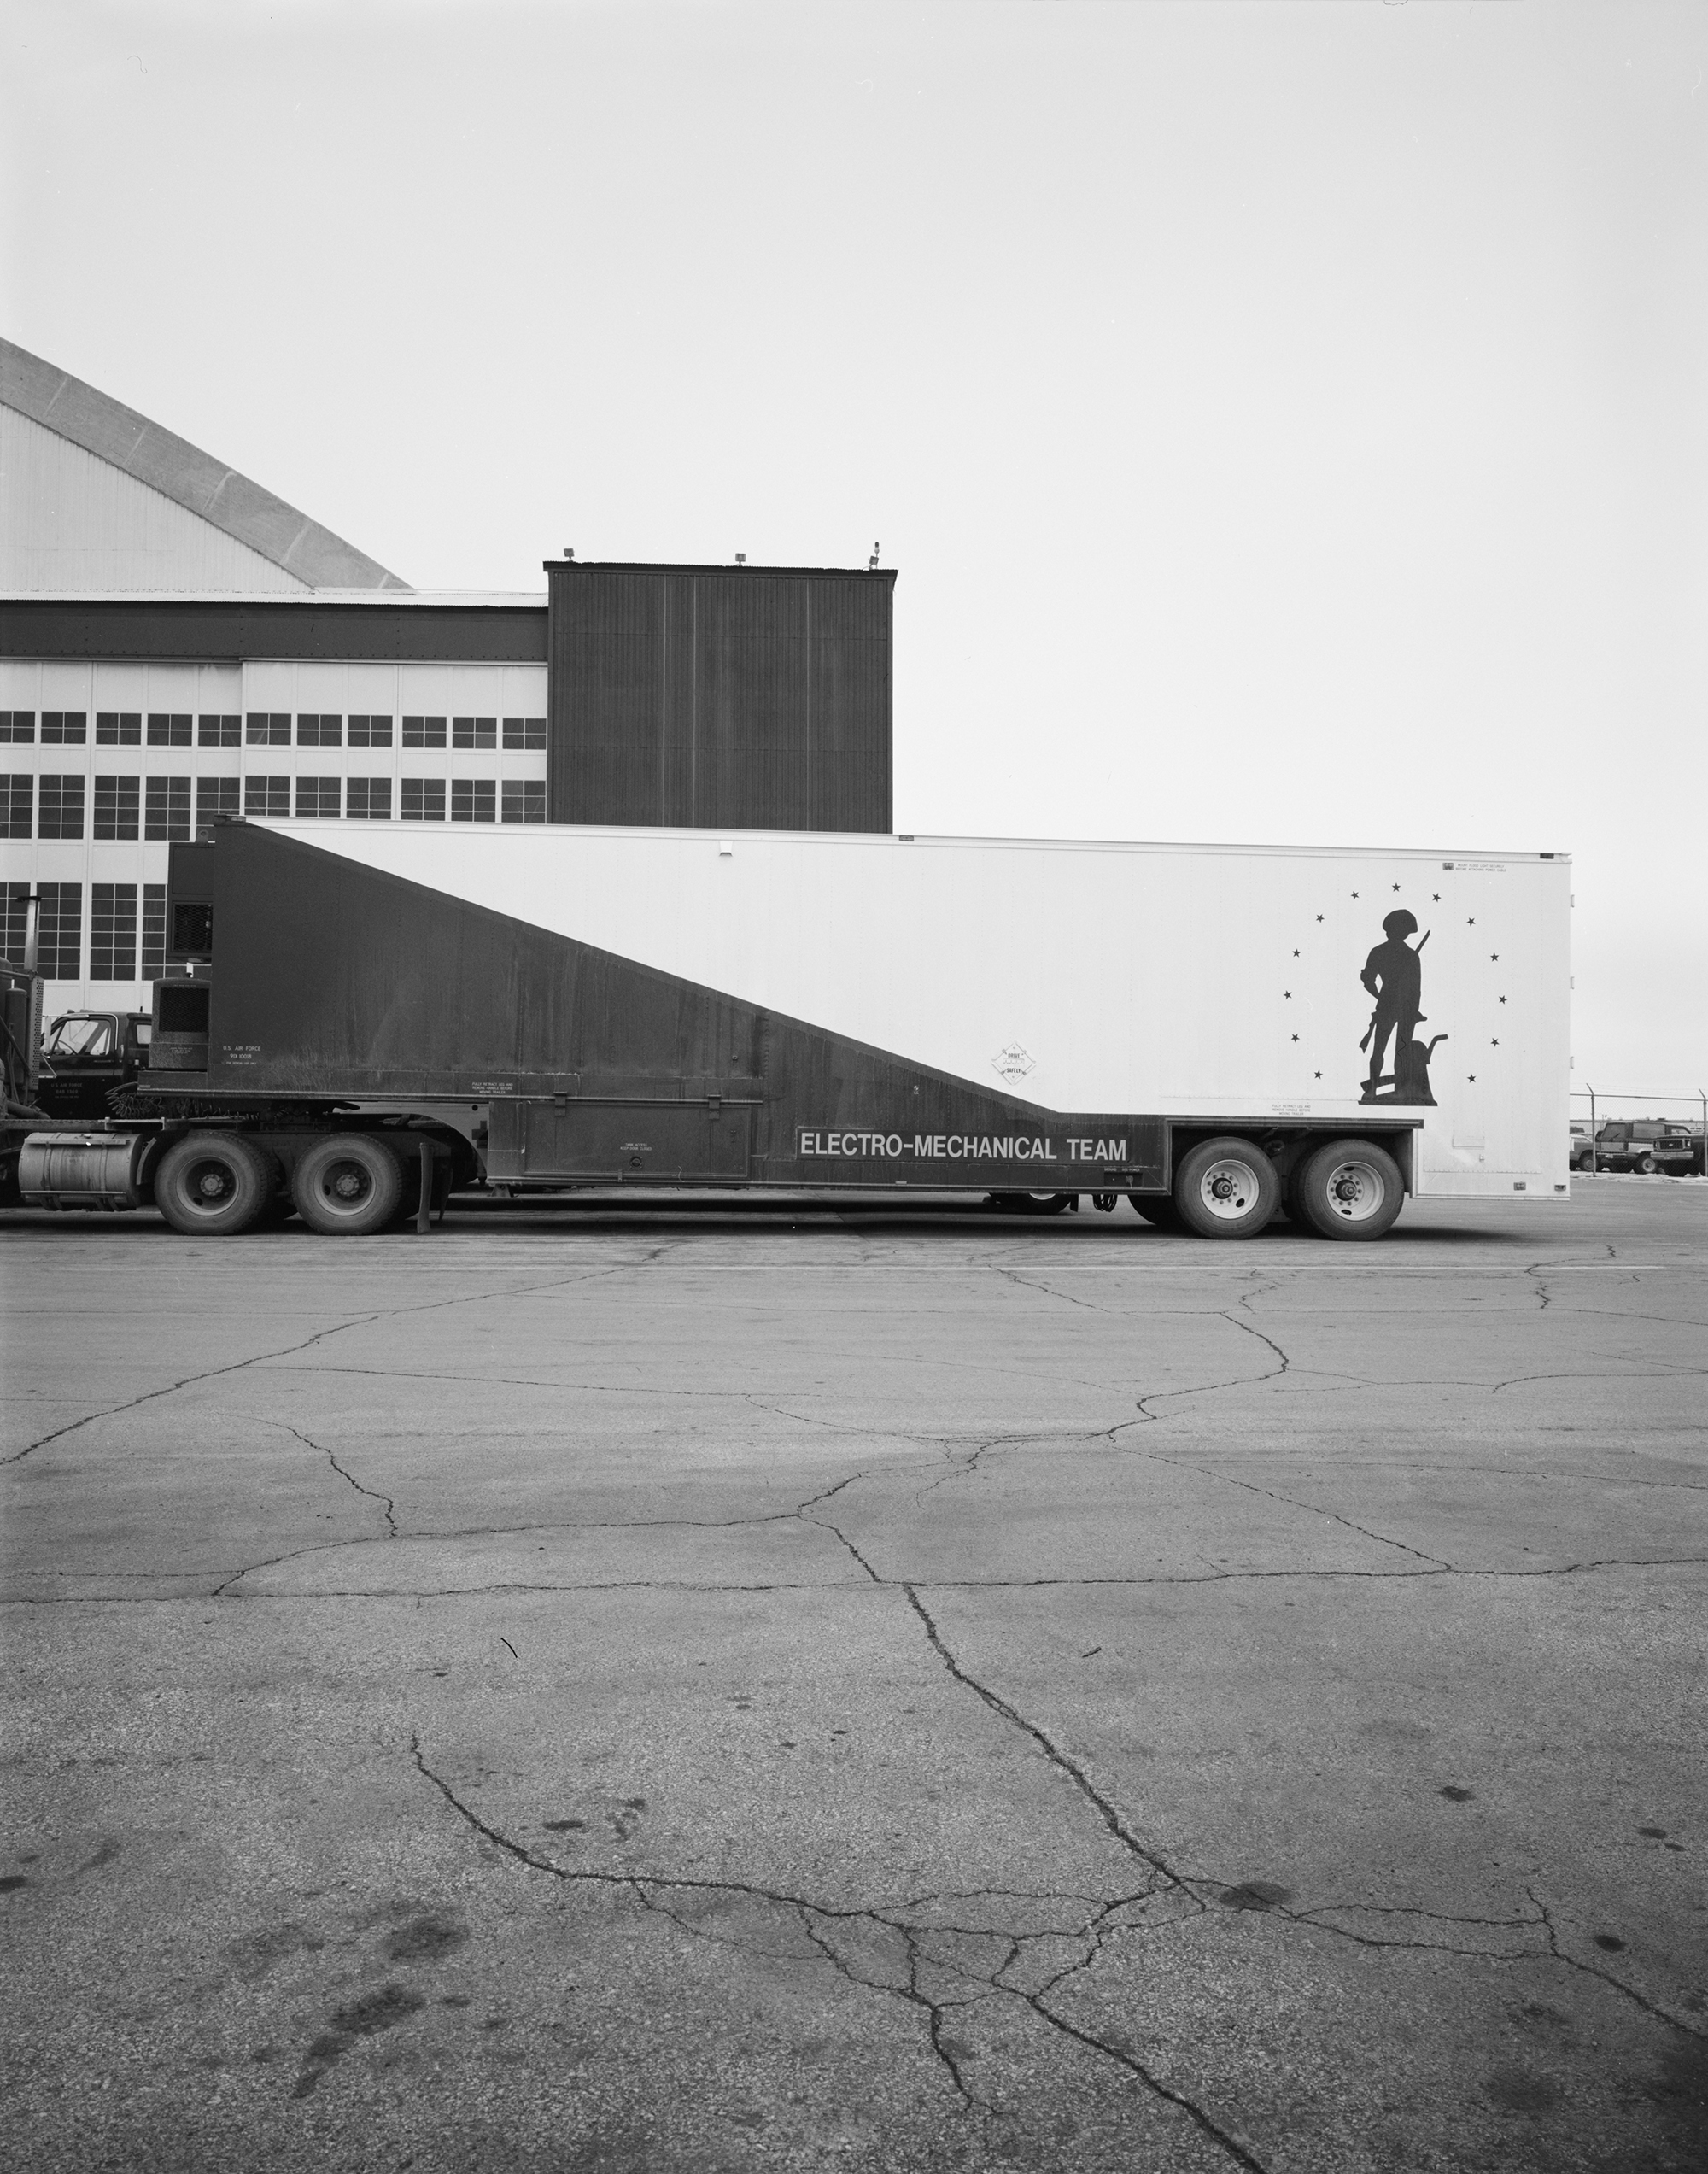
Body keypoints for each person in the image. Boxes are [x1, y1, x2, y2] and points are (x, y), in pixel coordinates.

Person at [1359, 909, 1425, 1097]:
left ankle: (1389, 1089)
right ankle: (1377, 1088)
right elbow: (1416, 990)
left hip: (1401, 1009)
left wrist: (1381, 997)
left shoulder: (1384, 952)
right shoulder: (1409, 955)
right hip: (1400, 1009)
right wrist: (1382, 998)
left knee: (1391, 1051)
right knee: (1388, 1051)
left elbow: (1368, 981)